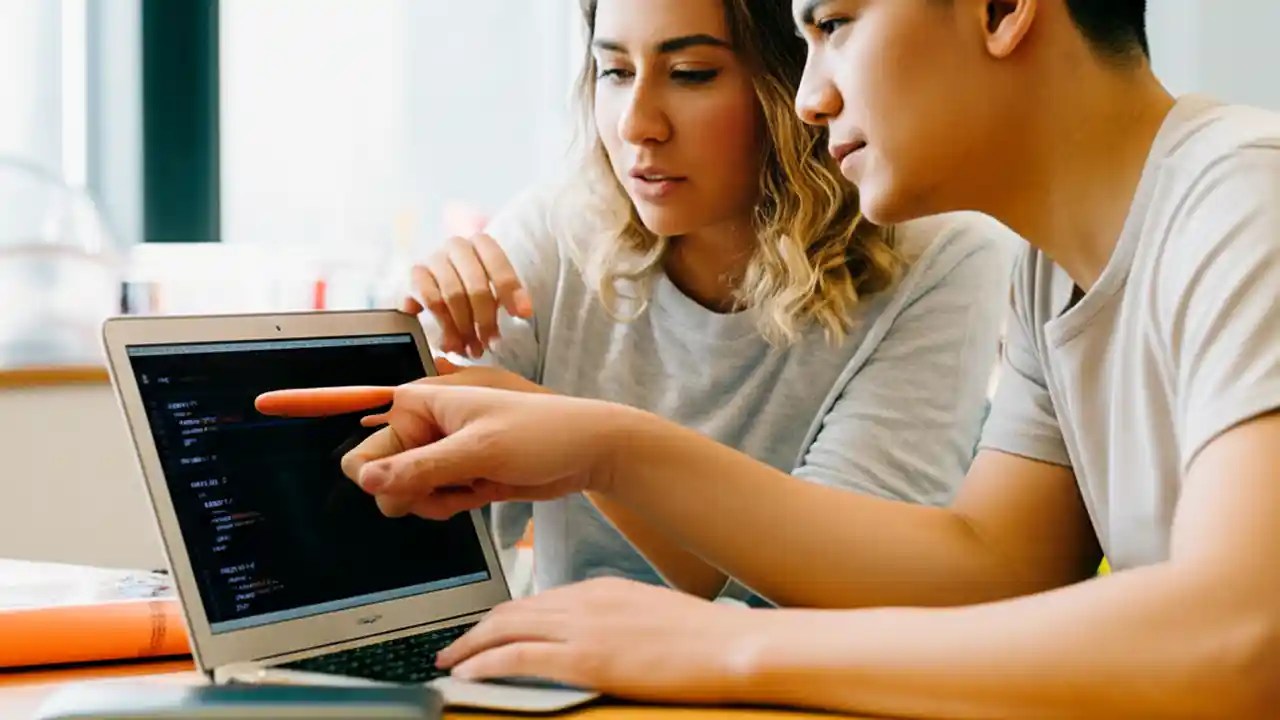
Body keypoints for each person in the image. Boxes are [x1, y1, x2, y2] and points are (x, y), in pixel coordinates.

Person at [262, 0, 1280, 716]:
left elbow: (1243, 640)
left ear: (1003, 7)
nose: (809, 98)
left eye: (834, 24)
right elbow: (988, 572)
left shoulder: (1244, 194)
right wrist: (604, 449)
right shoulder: (1050, 271)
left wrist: (727, 645)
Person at [400, 0, 1013, 598]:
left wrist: (584, 445)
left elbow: (837, 590)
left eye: (690, 73)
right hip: (563, 663)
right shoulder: (564, 224)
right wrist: (422, 347)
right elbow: (425, 504)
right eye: (615, 71)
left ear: (794, 80)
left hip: (791, 667)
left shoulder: (944, 253)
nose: (636, 125)